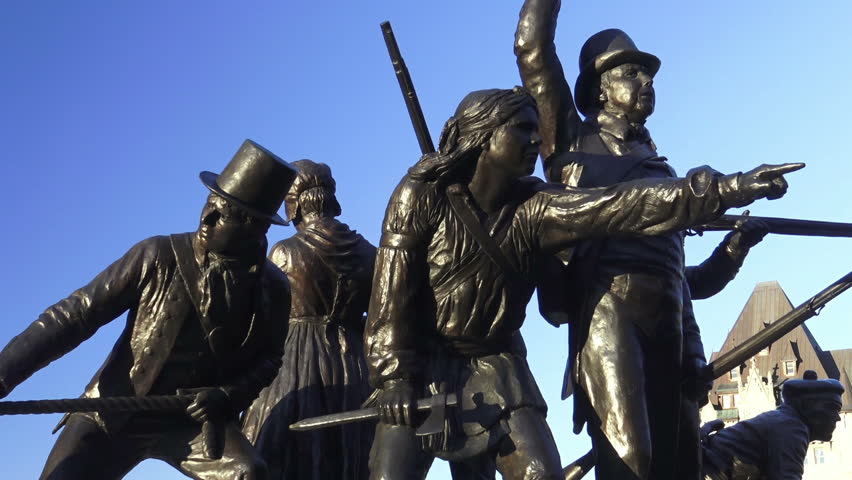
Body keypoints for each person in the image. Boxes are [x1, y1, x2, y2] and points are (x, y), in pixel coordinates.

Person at [364, 86, 800, 480]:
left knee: (541, 474)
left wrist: (726, 188)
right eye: (523, 129)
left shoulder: (535, 206)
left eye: (537, 129)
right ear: (483, 134)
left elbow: (621, 205)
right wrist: (394, 379)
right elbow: (390, 300)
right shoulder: (419, 194)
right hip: (421, 365)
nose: (538, 140)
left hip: (495, 366)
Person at [515, 2, 771, 477]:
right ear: (599, 88)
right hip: (606, 308)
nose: (646, 81)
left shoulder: (661, 170)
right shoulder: (571, 140)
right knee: (629, 457)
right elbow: (532, 48)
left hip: (667, 318)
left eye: (647, 75)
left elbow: (683, 281)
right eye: (631, 73)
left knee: (680, 462)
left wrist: (734, 250)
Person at [0, 140, 296, 480]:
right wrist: (3, 376)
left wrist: (228, 396)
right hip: (114, 410)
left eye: (223, 213)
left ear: (254, 227)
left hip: (193, 424)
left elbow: (271, 358)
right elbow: (72, 317)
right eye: (209, 204)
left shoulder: (274, 287)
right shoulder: (155, 255)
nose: (207, 217)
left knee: (249, 472)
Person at [241, 159, 376, 479]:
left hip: (294, 363)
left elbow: (258, 322)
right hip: (355, 365)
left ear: (295, 206)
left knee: (269, 446)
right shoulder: (371, 254)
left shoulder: (283, 253)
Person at [702, 371, 844, 480]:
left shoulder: (785, 420)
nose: (837, 418)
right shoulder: (792, 428)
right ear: (810, 407)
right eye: (833, 408)